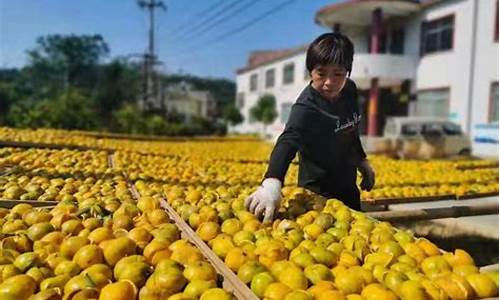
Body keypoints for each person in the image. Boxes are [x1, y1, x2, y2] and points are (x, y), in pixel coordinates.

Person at [244, 32, 375, 222]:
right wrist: (271, 183)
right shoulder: (306, 107)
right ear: (310, 72)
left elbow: (350, 129)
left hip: (348, 185)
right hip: (317, 195)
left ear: (347, 72)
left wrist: (362, 161)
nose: (329, 83)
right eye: (321, 74)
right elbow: (288, 141)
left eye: (338, 74)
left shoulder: (349, 90)